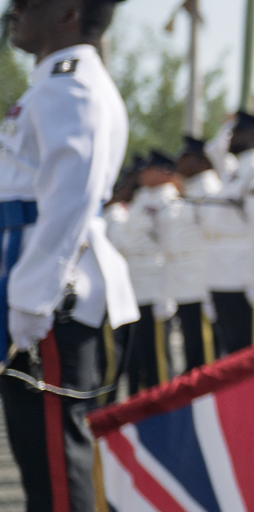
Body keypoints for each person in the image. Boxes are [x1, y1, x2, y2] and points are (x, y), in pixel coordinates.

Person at [0, 0, 135, 512]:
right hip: (38, 290)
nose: (15, 12)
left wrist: (28, 305)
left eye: (27, 1)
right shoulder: (54, 83)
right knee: (41, 458)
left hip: (50, 297)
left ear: (69, 12)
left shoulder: (72, 86)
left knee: (55, 460)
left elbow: (65, 208)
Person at [196, 111, 254, 353]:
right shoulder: (236, 170)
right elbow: (214, 149)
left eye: (236, 132)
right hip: (224, 277)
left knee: (250, 360)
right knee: (231, 357)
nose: (230, 137)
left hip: (245, 279)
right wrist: (227, 126)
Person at [107, 153, 174, 395]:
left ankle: (165, 409)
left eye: (149, 169)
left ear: (163, 172)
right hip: (134, 284)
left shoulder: (168, 200)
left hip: (154, 285)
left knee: (157, 360)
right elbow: (125, 237)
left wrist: (166, 294)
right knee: (137, 359)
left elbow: (169, 250)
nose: (142, 174)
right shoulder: (144, 198)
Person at [167, 136, 219, 368]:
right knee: (191, 351)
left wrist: (209, 286)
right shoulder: (192, 189)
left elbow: (211, 238)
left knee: (204, 353)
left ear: (202, 162)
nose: (179, 162)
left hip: (200, 282)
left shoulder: (209, 189)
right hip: (185, 281)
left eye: (185, 157)